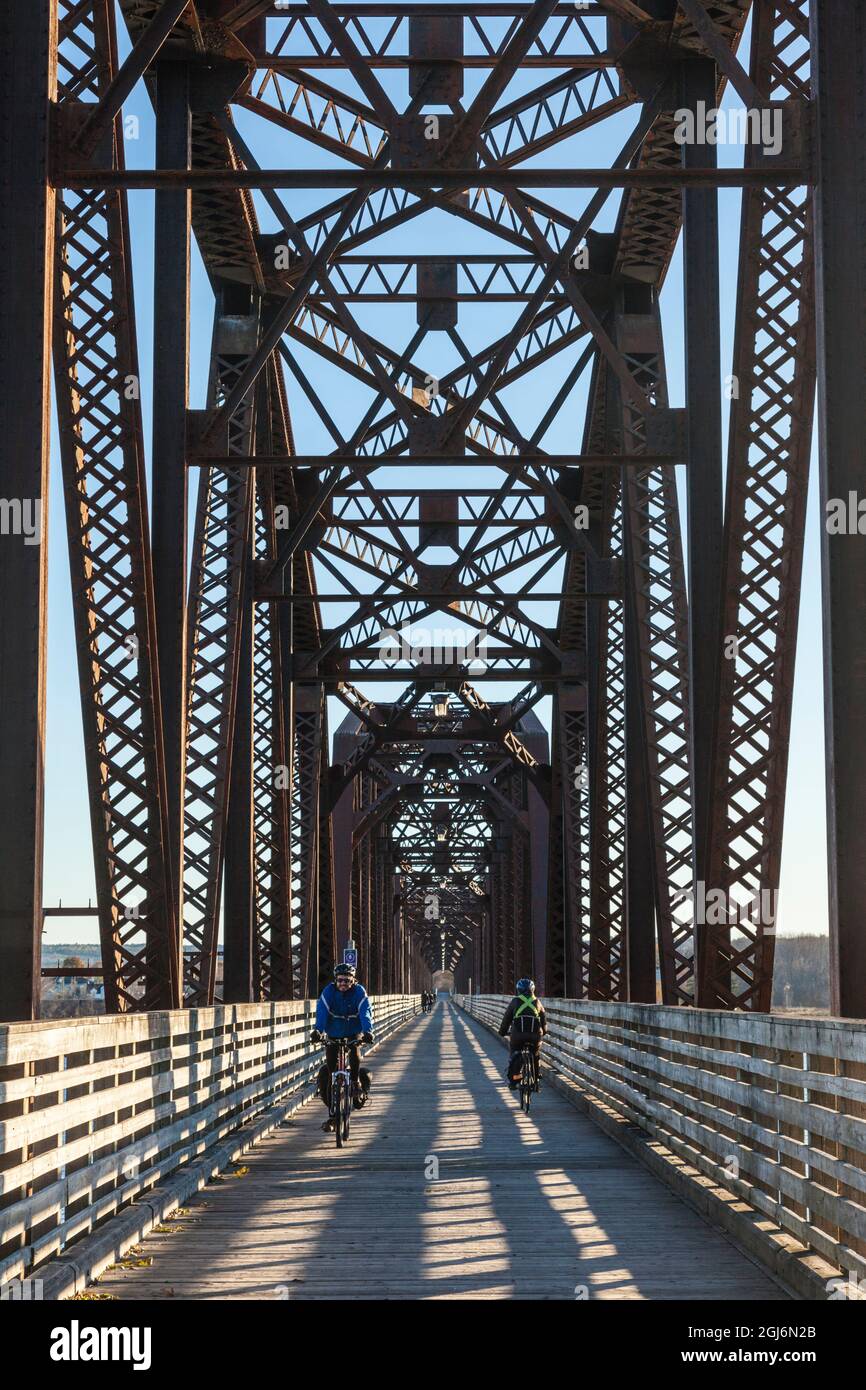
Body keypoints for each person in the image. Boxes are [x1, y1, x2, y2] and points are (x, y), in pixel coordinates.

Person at [311, 963, 374, 1131]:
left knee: (354, 1052)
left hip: (353, 1032)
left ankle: (355, 1083)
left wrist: (368, 1031)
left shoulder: (359, 992)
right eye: (340, 981)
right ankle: (333, 1115)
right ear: (335, 980)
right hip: (333, 1032)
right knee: (330, 1072)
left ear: (353, 980)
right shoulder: (328, 992)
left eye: (347, 980)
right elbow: (322, 1011)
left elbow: (365, 1011)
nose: (343, 984)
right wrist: (318, 1030)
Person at [498, 978, 546, 1090]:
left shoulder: (515, 1001)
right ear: (532, 990)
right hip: (535, 1035)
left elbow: (506, 1020)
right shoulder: (537, 1002)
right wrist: (544, 1031)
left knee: (515, 1052)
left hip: (518, 1035)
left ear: (518, 990)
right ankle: (536, 1078)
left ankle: (514, 1081)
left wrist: (502, 1032)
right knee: (535, 1053)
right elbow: (544, 1020)